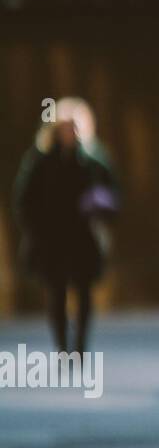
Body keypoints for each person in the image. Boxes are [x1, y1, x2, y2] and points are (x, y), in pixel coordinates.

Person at [12, 98, 117, 353]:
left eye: (75, 128)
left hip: (82, 237)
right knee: (57, 294)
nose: (71, 133)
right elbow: (24, 199)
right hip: (53, 239)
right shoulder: (41, 161)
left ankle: (80, 347)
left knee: (83, 294)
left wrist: (100, 208)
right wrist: (36, 228)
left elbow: (111, 192)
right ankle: (62, 347)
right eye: (66, 127)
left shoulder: (92, 160)